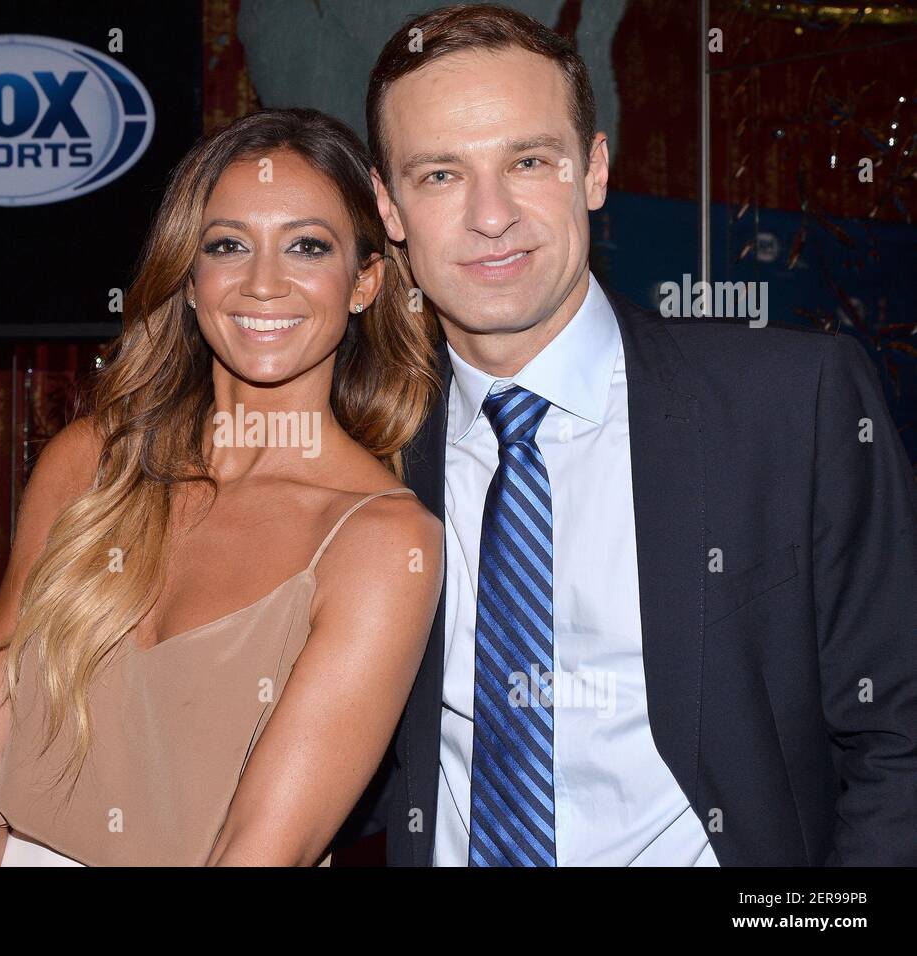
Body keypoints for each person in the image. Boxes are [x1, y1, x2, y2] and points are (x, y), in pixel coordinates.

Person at [341, 2, 917, 865]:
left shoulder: (792, 404)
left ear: (594, 169)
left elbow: (897, 740)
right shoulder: (361, 448)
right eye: (440, 176)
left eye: (529, 161)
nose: (491, 215)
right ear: (389, 206)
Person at [0, 108, 444, 866]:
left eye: (307, 246)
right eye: (227, 245)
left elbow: (265, 849)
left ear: (365, 281)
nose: (264, 284)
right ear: (191, 280)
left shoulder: (384, 541)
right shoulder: (89, 462)